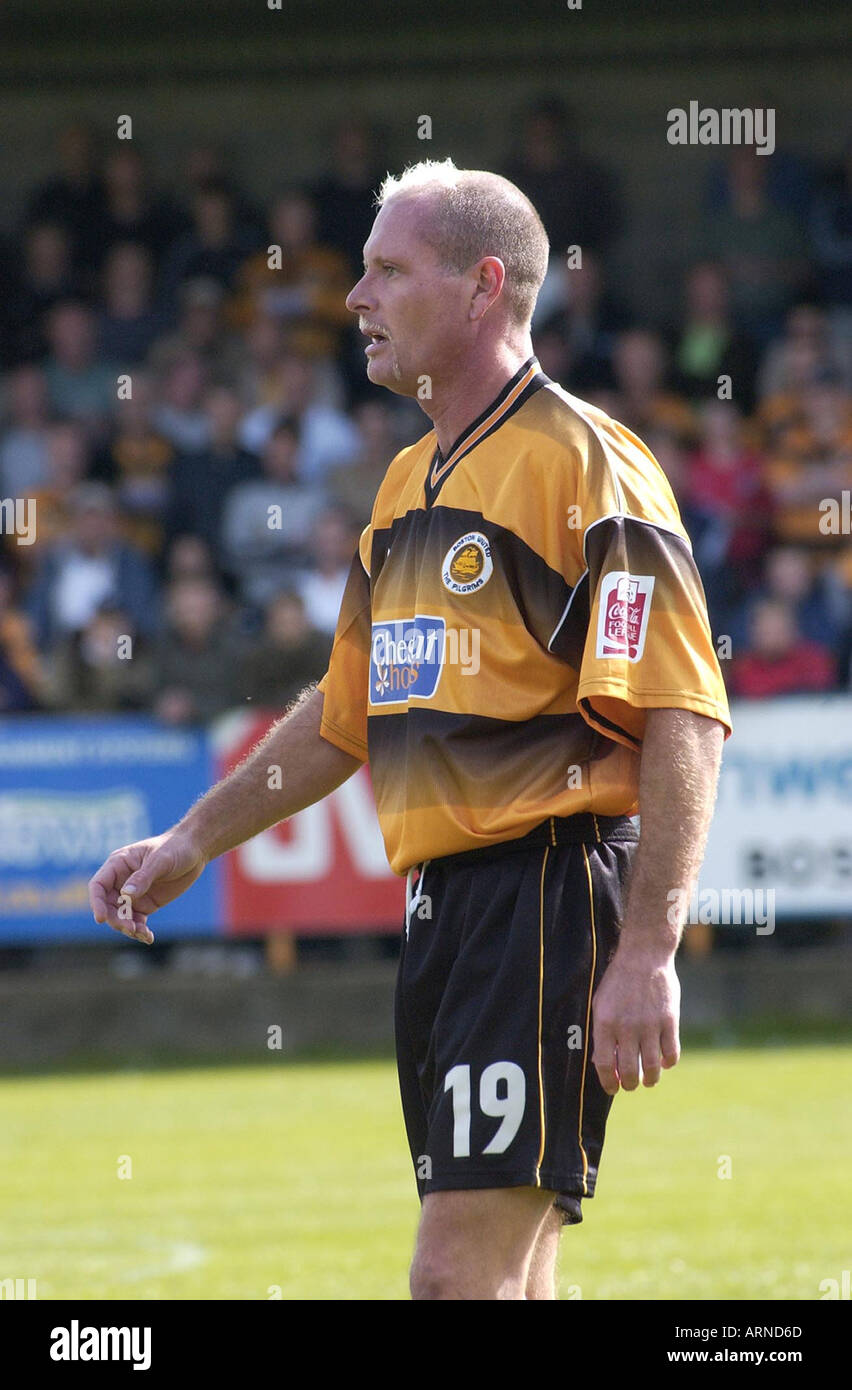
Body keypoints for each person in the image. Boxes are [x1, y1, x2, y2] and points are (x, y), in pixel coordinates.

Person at [89, 159, 731, 1301]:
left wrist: (649, 947)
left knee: (453, 1282)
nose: (355, 297)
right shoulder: (400, 489)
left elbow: (684, 710)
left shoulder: (590, 465)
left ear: (484, 287)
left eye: (388, 270)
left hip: (544, 898)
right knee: (509, 1282)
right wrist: (191, 839)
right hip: (446, 912)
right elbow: (342, 718)